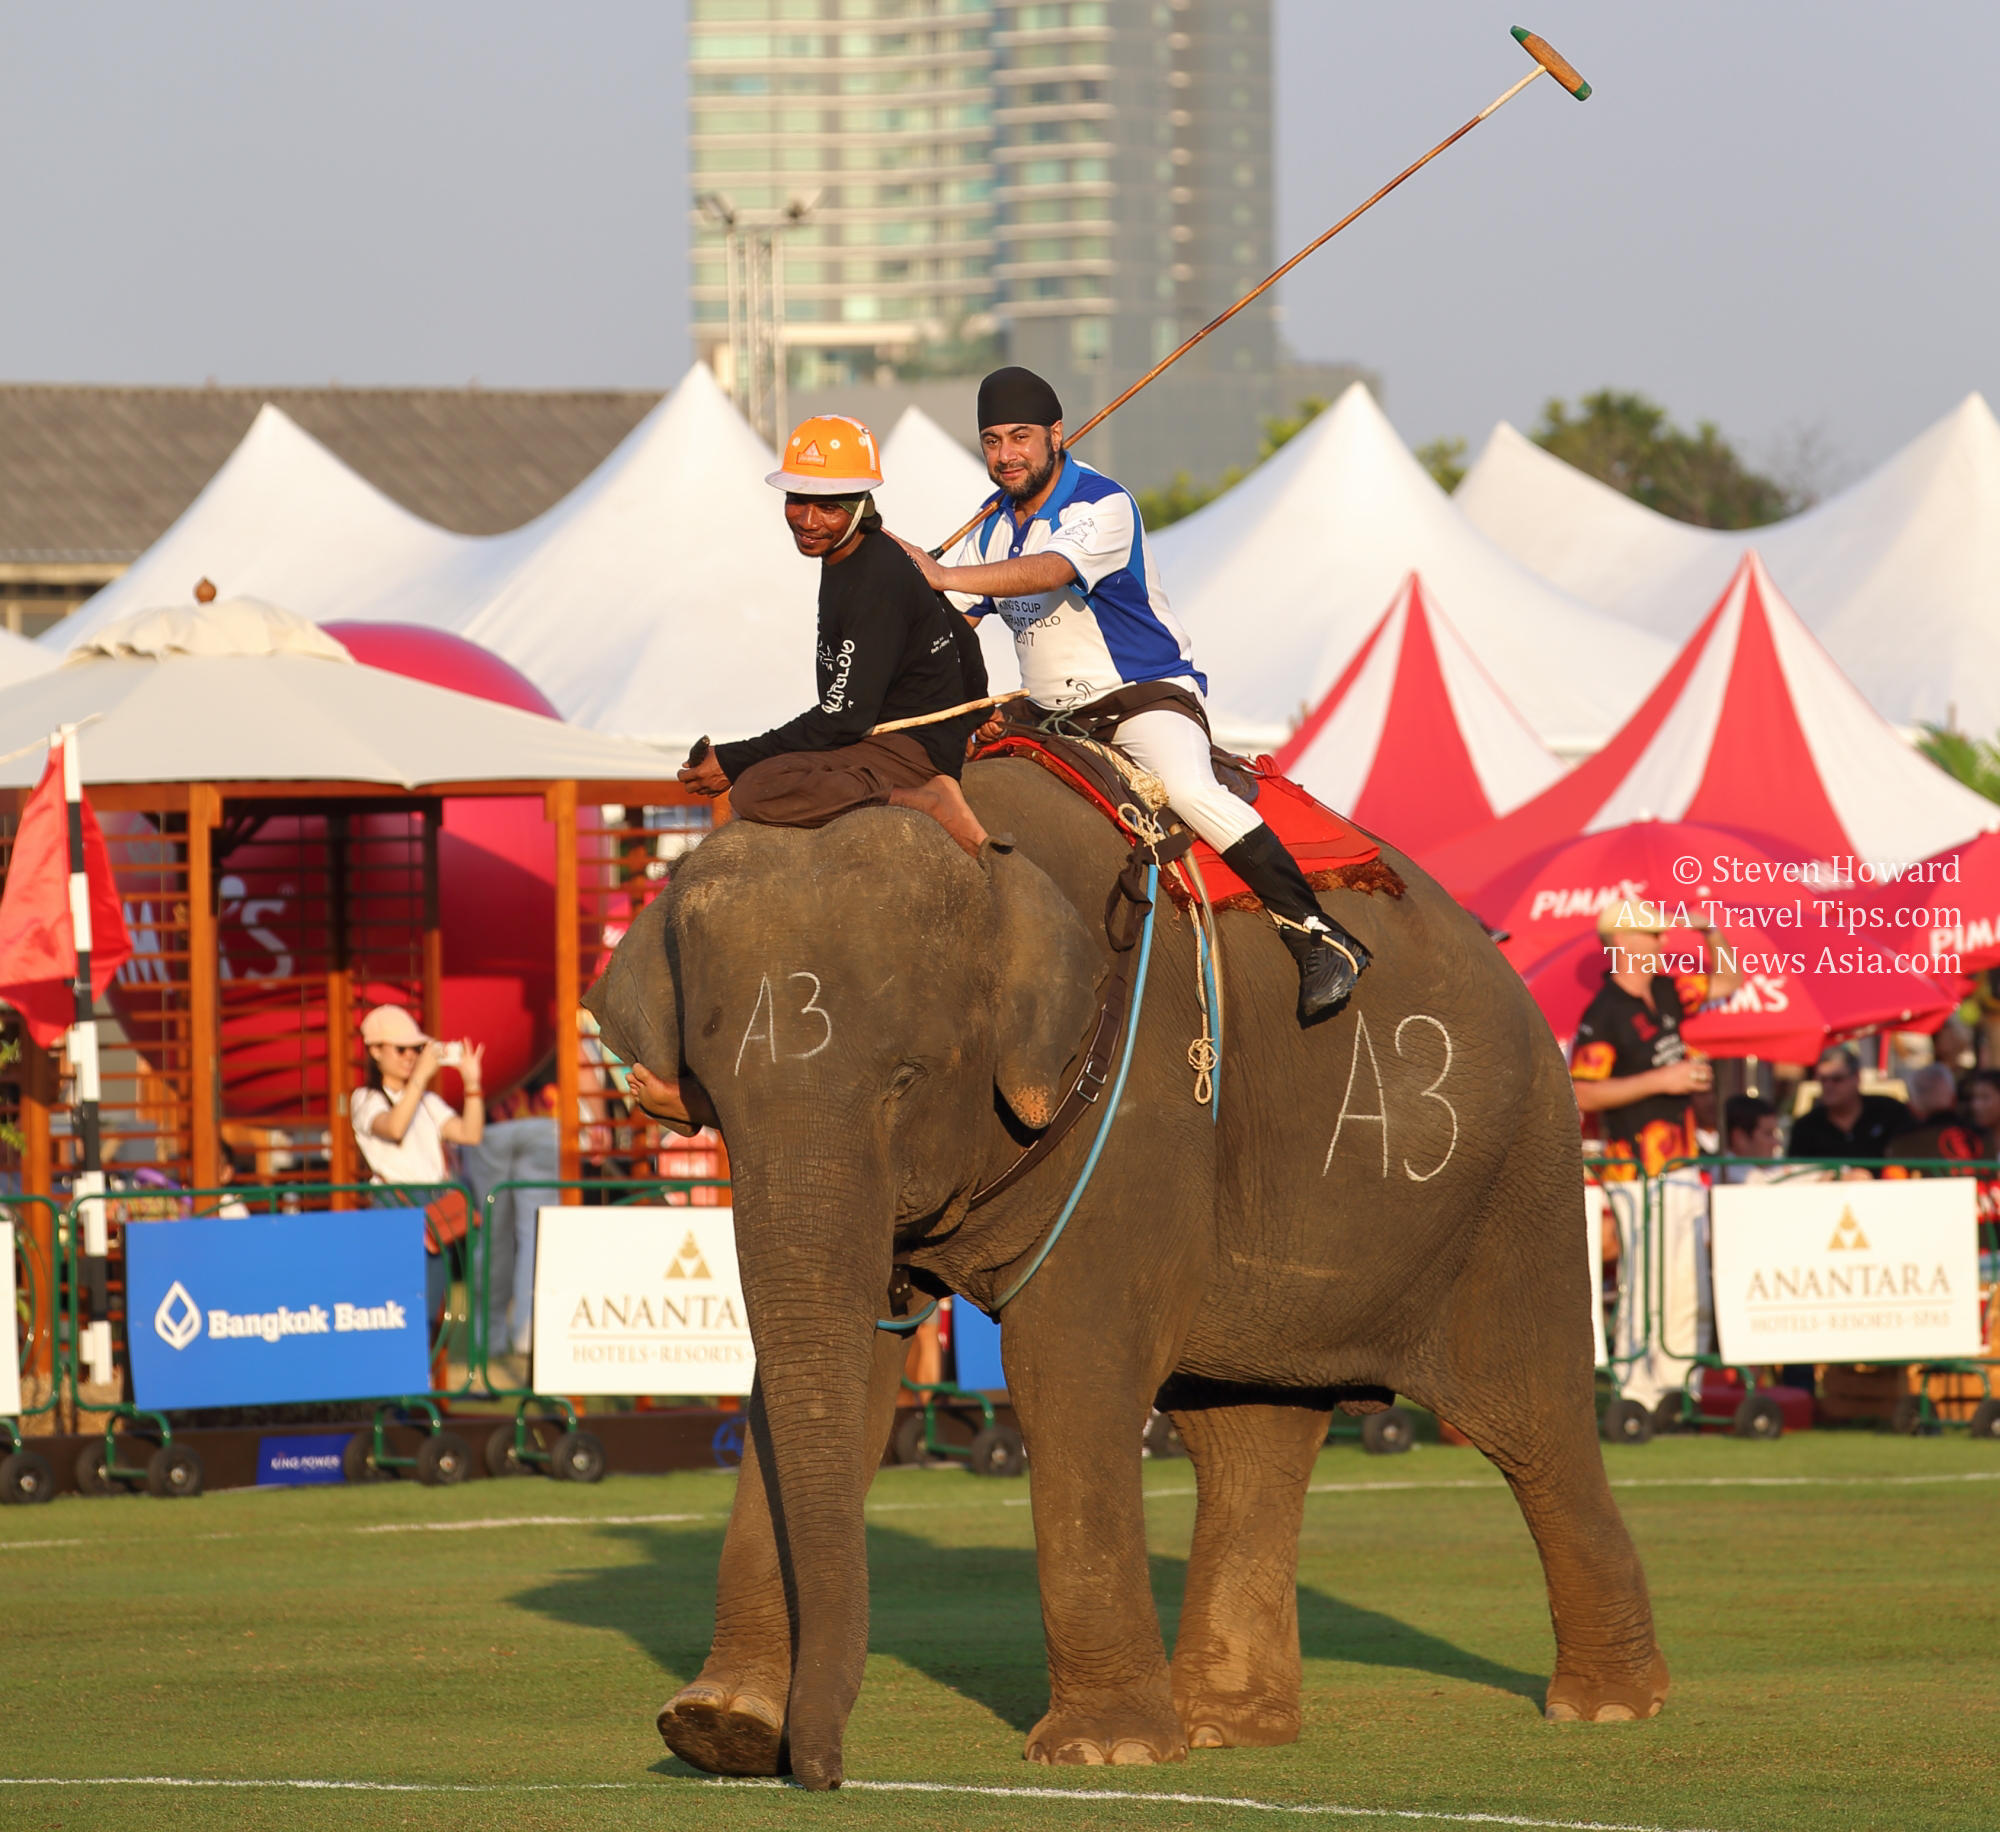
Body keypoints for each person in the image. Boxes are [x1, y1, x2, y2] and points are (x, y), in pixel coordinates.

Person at [897, 365, 1370, 1026]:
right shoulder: (989, 528)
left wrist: (943, 573)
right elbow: (954, 630)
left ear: (1056, 435)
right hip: (1049, 715)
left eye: (1021, 437)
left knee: (1185, 790)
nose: (1005, 455)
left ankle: (1318, 934)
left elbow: (1053, 570)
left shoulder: (1102, 503)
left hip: (1141, 697)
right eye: (993, 441)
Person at [675, 414, 991, 858]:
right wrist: (978, 706)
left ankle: (924, 799)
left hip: (902, 748)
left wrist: (732, 760)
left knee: (755, 788)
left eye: (828, 506)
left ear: (862, 503)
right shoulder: (862, 554)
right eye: (797, 500)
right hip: (884, 738)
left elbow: (844, 717)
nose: (807, 520)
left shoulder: (875, 581)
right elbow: (963, 636)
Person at [1570, 902, 1740, 1178]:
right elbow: (1582, 1095)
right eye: (1653, 934)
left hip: (1683, 1162)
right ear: (1621, 941)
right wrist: (1662, 1080)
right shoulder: (1604, 1013)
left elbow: (1730, 980)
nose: (1664, 940)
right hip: (1636, 1171)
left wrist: (1711, 932)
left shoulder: (1666, 990)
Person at [350, 1004, 485, 1326]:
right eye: (401, 1049)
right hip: (394, 1206)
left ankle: (419, 1375)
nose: (410, 1056)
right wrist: (421, 1079)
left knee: (427, 1312)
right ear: (375, 1051)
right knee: (393, 1310)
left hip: (433, 1208)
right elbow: (394, 1128)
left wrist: (473, 1084)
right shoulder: (366, 1099)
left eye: (416, 1048)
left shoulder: (427, 1101)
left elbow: (470, 1133)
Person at [462, 1066, 559, 1375]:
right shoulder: (556, 1016)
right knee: (539, 1234)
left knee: (491, 1235)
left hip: (487, 1121)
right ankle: (529, 1334)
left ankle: (490, 1338)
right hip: (547, 1118)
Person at [1787, 1046, 1911, 1163]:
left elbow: (1914, 1153)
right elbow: (1795, 1173)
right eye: (1823, 1079)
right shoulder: (1805, 1127)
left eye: (1837, 1079)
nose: (1828, 1086)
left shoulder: (1890, 1112)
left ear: (1856, 1078)